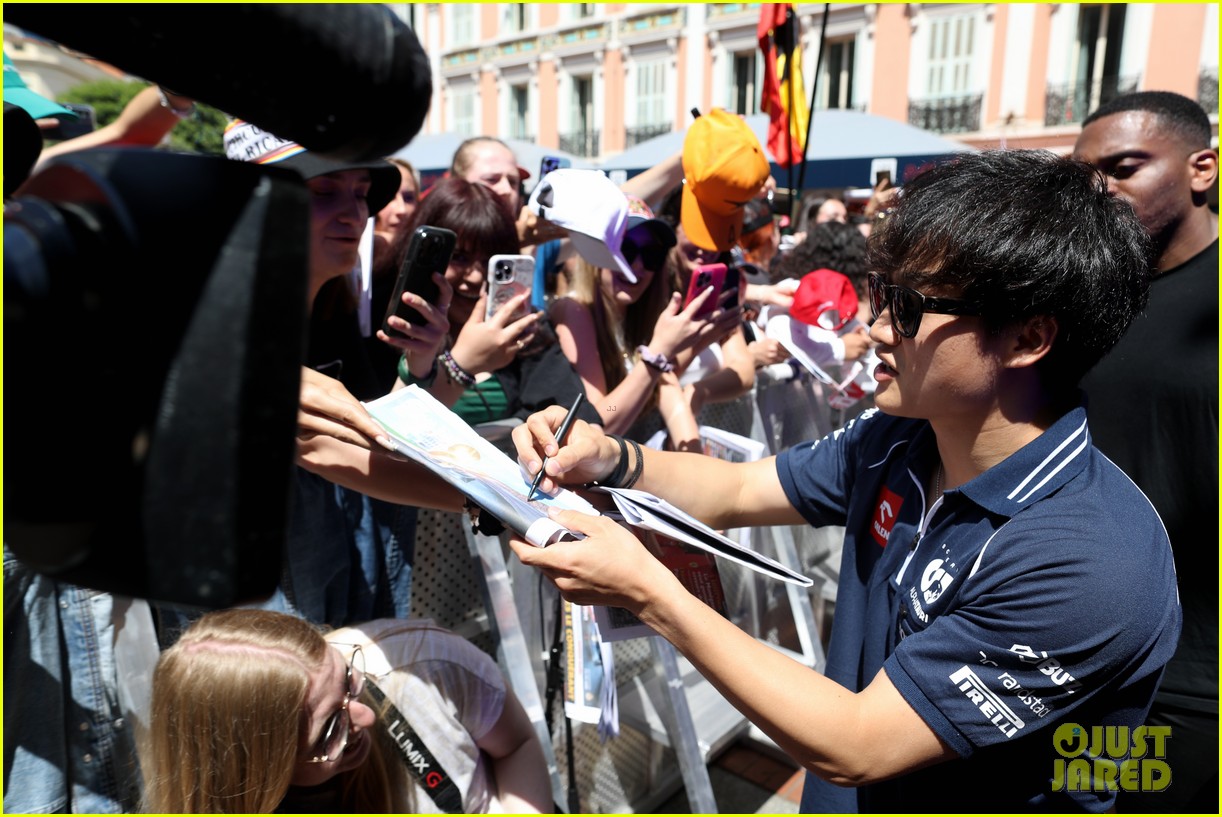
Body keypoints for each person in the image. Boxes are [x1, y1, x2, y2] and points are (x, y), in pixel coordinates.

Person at [507, 150, 1180, 812]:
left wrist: (651, 592)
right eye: (882, 295)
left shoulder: (1093, 560)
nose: (875, 328)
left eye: (909, 308)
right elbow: (738, 490)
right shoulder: (900, 438)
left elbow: (857, 741)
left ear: (1028, 337)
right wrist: (610, 457)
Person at [1073, 90, 1219, 813]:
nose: (1098, 188)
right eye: (1084, 173)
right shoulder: (1082, 302)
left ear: (1203, 168)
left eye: (1124, 166)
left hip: (1197, 686)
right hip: (1084, 661)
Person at [141, 608, 552, 813]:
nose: (366, 716)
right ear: (252, 773)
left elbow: (516, 744)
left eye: (348, 681)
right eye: (330, 730)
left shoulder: (421, 663)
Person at [393, 176, 602, 428]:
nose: (476, 276)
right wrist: (462, 365)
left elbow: (584, 421)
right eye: (459, 257)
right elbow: (389, 434)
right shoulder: (392, 324)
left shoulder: (523, 331)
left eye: (490, 261)